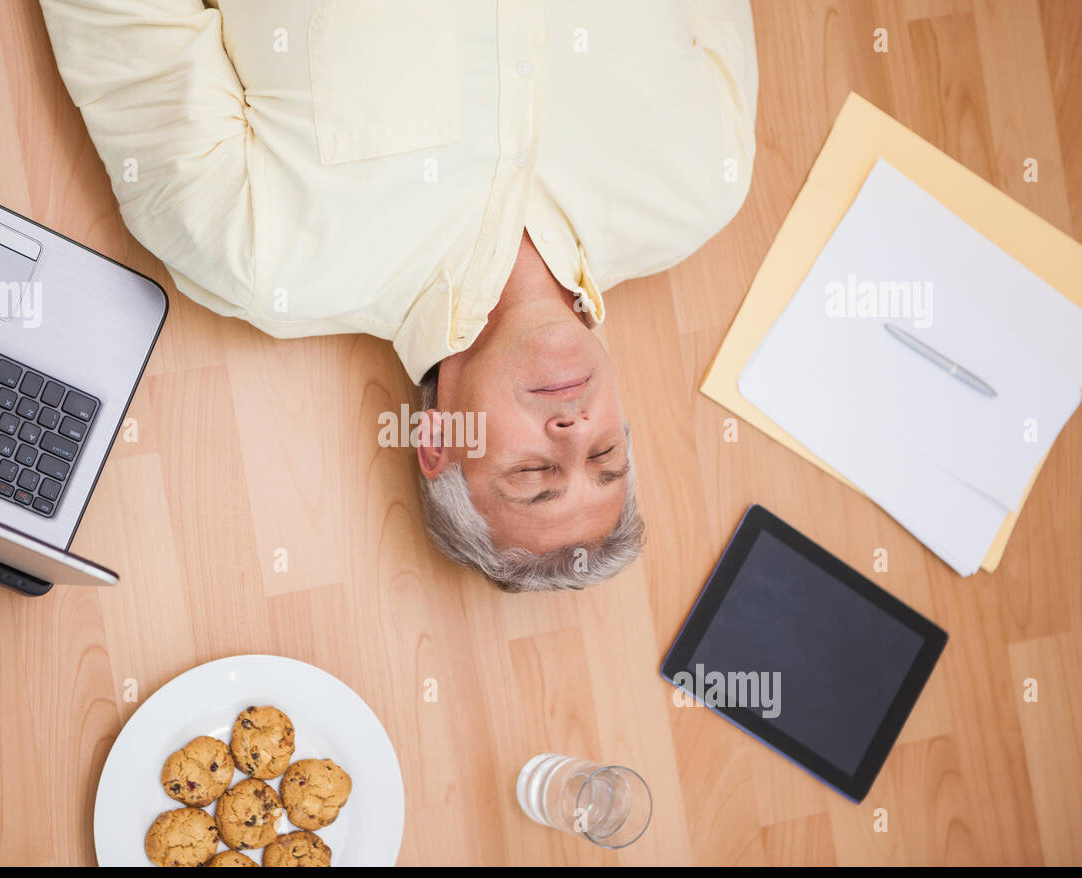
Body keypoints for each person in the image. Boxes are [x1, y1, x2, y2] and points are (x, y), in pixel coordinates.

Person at [40, 0, 758, 590]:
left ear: (438, 440)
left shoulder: (261, 251)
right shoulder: (704, 186)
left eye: (535, 471)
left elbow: (121, 23)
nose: (572, 431)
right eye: (606, 453)